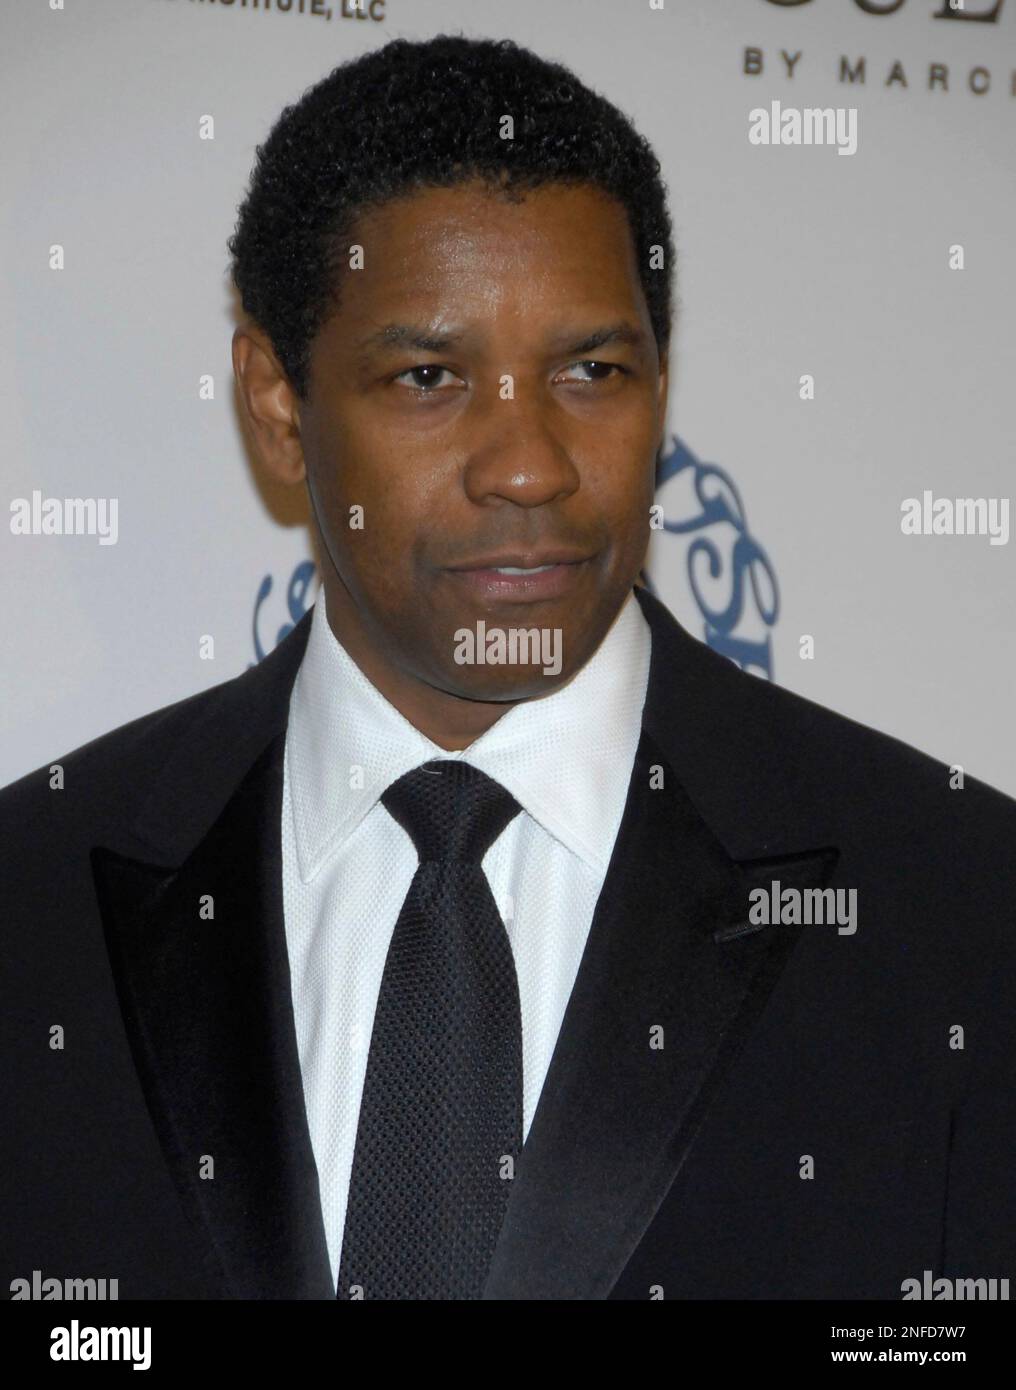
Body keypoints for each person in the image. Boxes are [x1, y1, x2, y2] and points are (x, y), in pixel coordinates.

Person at [3, 34, 1014, 1302]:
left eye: (591, 371)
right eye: (427, 377)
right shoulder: (31, 904)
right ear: (275, 402)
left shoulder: (961, 912)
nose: (527, 463)